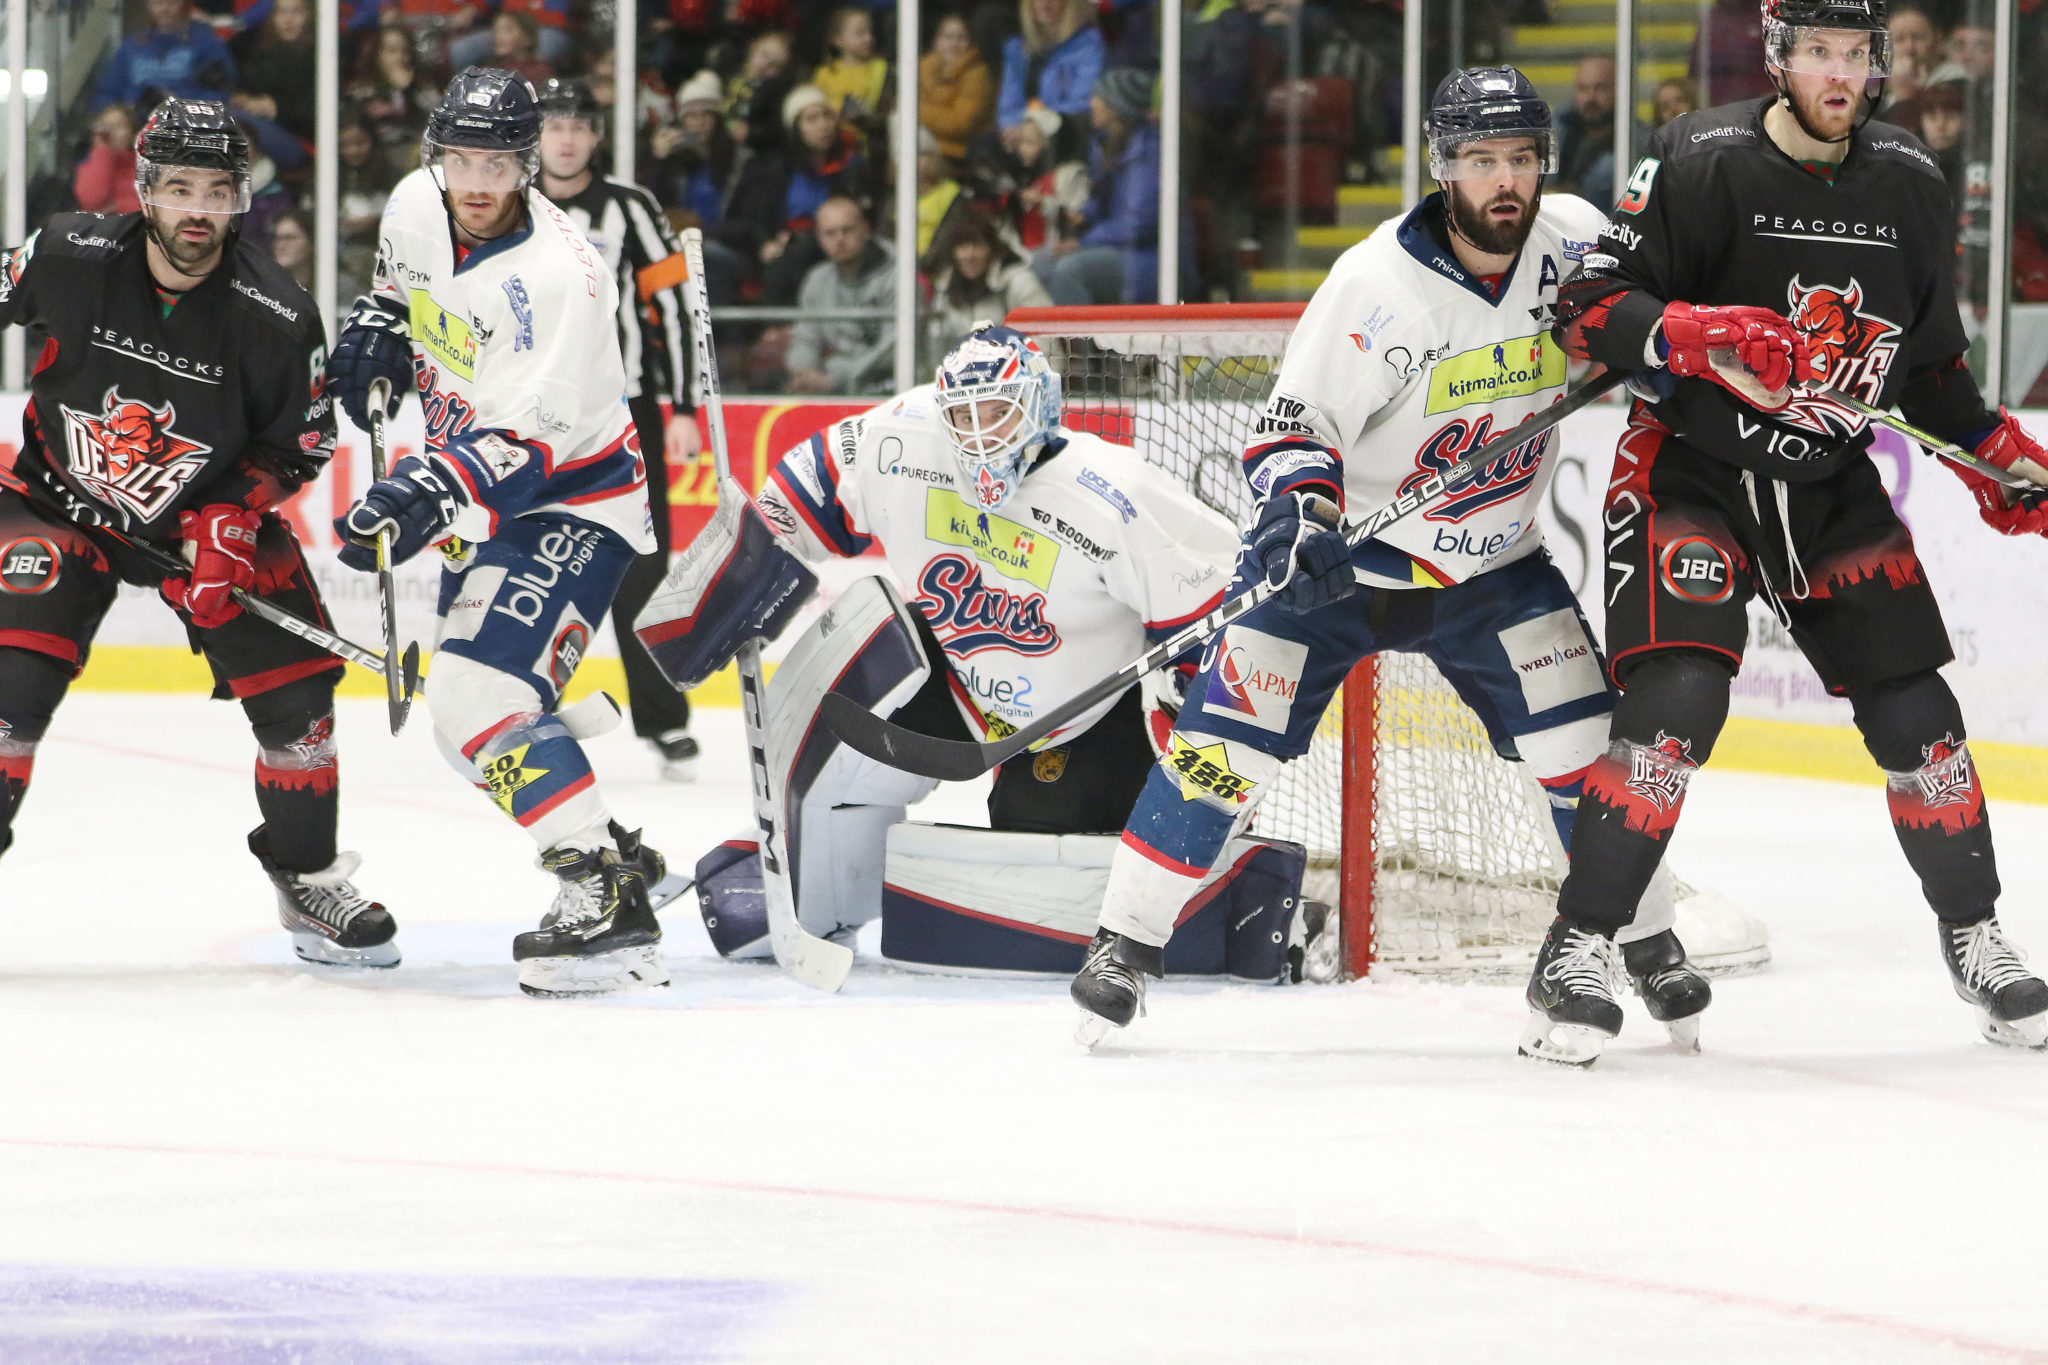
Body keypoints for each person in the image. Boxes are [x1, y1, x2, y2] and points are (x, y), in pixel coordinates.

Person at [1068, 67, 1713, 1051]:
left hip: (1493, 571)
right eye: (1482, 160)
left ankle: (1647, 941)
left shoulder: (1573, 241)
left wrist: (1656, 356)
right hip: (1340, 576)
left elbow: (1636, 322)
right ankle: (1123, 944)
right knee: (1219, 753)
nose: (1506, 181)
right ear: (1441, 166)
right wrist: (1304, 520)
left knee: (1586, 753)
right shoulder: (1375, 288)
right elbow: (1293, 429)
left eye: (1522, 158)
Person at [1549, 0, 2048, 1060]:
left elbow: (1929, 370)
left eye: (1854, 54)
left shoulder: (1909, 178)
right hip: (1689, 470)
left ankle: (1974, 935)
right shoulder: (1698, 157)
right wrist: (1688, 330)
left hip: (1826, 485)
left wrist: (1992, 457)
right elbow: (1585, 305)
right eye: (1817, 51)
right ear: (1779, 58)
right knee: (1678, 703)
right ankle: (1578, 945)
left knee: (1921, 721)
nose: (1838, 74)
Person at [649, 327, 1311, 980]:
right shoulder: (903, 438)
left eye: (996, 412)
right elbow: (808, 483)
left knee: (1051, 864)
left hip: (1081, 714)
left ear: (1041, 406)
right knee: (857, 644)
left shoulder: (1116, 493)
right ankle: (798, 875)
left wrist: (1198, 756)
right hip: (954, 681)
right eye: (962, 416)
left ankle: (1212, 875)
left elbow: (1224, 617)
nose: (978, 436)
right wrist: (749, 566)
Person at [0, 100, 397, 969]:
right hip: (58, 501)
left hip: (199, 519)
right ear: (145, 189)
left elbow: (303, 444)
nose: (197, 211)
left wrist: (231, 515)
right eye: (180, 188)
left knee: (299, 702)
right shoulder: (68, 252)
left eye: (217, 192)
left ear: (241, 197)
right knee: (7, 699)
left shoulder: (277, 314)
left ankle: (307, 873)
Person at [326, 68, 667, 998]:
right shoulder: (414, 201)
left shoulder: (562, 278)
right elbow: (399, 292)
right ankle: (614, 851)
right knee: (467, 723)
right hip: (480, 502)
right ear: (435, 155)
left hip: (574, 499)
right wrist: (379, 326)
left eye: (498, 163)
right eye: (461, 159)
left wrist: (424, 488)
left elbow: (528, 444)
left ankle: (606, 897)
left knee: (476, 695)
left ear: (528, 165)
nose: (476, 182)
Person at [535, 78, 706, 782]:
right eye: (554, 125)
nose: (567, 138)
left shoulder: (631, 207)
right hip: (533, 413)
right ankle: (519, 709)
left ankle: (663, 719)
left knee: (643, 562)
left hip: (623, 411)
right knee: (534, 558)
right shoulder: (509, 203)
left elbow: (676, 305)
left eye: (579, 125)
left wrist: (685, 406)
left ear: (597, 136)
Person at [1035, 69, 1161, 306]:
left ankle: (1082, 332)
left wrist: (1084, 242)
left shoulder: (1149, 153)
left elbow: (1139, 224)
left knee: (1070, 269)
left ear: (1117, 106)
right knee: (1040, 261)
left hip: (1148, 255)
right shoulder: (1107, 145)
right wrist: (1084, 214)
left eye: (1098, 97)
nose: (1091, 103)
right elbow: (1105, 197)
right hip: (1114, 244)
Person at [786, 196, 894, 395]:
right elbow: (805, 338)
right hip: (830, 384)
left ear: (865, 230)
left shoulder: (898, 276)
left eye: (848, 230)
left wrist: (837, 379)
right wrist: (804, 372)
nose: (840, 240)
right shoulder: (817, 279)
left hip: (888, 386)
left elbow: (895, 348)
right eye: (830, 233)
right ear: (819, 238)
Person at [924, 212, 1050, 360]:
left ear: (992, 249)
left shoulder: (1018, 282)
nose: (969, 255)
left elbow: (1046, 340)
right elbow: (936, 345)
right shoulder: (944, 289)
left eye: (977, 245)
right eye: (962, 246)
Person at [994, 0, 1105, 164]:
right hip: (1024, 131)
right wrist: (1014, 124)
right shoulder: (1018, 47)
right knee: (987, 146)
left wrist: (1038, 122)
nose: (1044, 4)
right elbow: (1009, 102)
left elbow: (1083, 101)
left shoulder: (1089, 45)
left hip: (1069, 132)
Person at [96, 0, 236, 111]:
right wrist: (117, 111)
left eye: (171, 2)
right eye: (158, 3)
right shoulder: (131, 47)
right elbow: (107, 93)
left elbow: (221, 93)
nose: (164, 9)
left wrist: (177, 103)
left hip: (187, 121)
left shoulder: (206, 44)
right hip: (135, 122)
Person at [350, 24, 437, 176]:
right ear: (377, 55)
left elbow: (438, 121)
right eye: (392, 51)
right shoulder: (362, 92)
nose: (400, 58)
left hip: (417, 159)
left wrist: (409, 90)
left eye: (405, 51)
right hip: (377, 164)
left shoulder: (421, 87)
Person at [812, 6, 891, 150]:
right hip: (834, 144)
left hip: (871, 144)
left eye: (870, 32)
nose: (868, 38)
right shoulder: (825, 73)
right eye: (860, 33)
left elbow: (886, 109)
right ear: (838, 40)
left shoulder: (880, 68)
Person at [919, 12, 995, 162]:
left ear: (970, 42)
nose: (954, 44)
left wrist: (915, 111)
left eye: (961, 38)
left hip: (956, 153)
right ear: (937, 41)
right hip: (923, 144)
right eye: (948, 37)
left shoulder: (977, 74)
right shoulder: (921, 68)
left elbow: (961, 123)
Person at [1556, 54, 1619, 207]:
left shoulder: (1635, 142)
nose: (1590, 97)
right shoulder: (1560, 129)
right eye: (1583, 89)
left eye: (1600, 88)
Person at [75, 105, 143, 216]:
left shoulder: (144, 167)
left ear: (132, 134)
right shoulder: (89, 167)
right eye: (106, 126)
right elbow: (91, 200)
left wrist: (118, 206)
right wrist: (103, 151)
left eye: (118, 125)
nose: (111, 131)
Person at [265, 208, 313, 291]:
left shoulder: (330, 285)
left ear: (311, 243)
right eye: (277, 239)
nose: (280, 246)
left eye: (289, 238)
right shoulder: (266, 287)